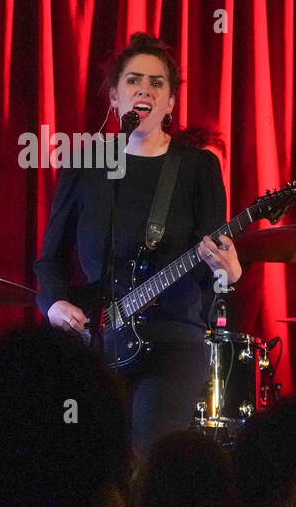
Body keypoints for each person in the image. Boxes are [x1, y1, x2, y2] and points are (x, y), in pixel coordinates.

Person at [34, 32, 241, 453]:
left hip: (171, 341)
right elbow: (49, 261)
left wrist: (229, 273)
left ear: (170, 103)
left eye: (157, 82)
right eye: (133, 80)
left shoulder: (197, 168)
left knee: (147, 459)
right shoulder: (85, 164)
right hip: (97, 340)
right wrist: (54, 304)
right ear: (114, 97)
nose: (144, 88)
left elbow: (214, 262)